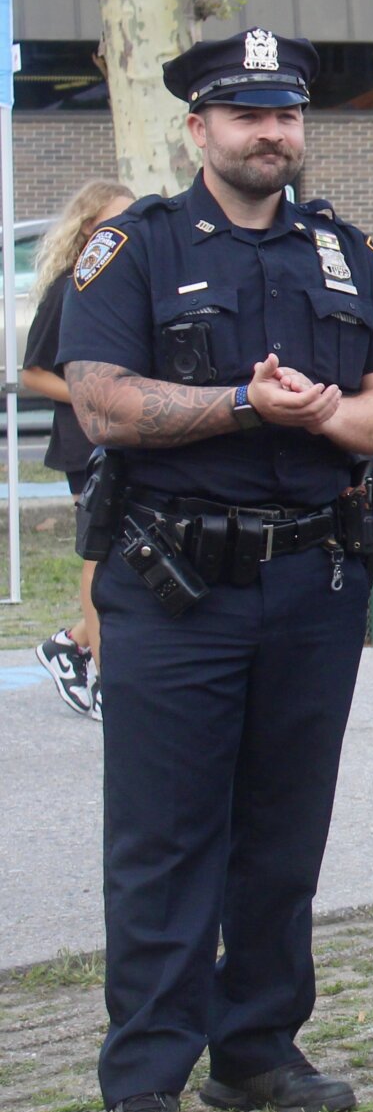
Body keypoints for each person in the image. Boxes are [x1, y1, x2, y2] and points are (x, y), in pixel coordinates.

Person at [58, 29, 373, 1112]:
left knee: (281, 832)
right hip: (177, 586)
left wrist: (319, 416)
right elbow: (103, 403)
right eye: (246, 114)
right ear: (199, 129)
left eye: (287, 114)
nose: (273, 132)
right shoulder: (135, 247)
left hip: (314, 581)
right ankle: (147, 1080)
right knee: (168, 841)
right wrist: (242, 404)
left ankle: (257, 1047)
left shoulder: (344, 253)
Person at [22, 179, 135, 720]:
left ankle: (71, 642)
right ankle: (103, 674)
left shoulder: (131, 284)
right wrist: (93, 394)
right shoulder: (68, 288)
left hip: (126, 436)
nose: (121, 233)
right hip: (81, 441)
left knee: (124, 555)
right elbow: (33, 374)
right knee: (100, 551)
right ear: (86, 228)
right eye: (110, 222)